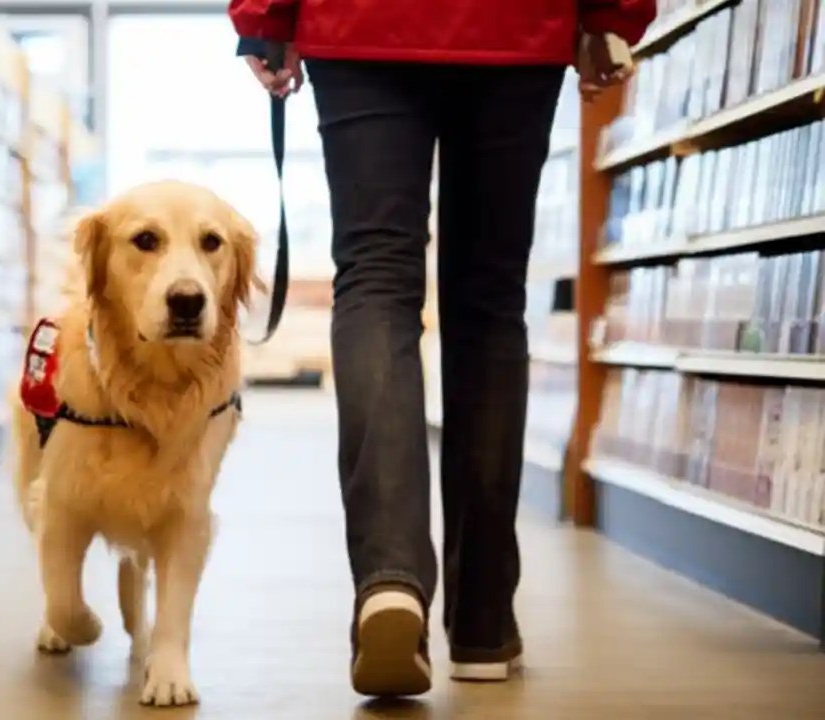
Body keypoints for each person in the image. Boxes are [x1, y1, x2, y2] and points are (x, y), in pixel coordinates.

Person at [229, 0, 655, 698]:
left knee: (374, 282)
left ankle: (388, 579)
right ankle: (484, 620)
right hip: (517, 21)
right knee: (489, 303)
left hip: (362, 21)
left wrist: (265, 14)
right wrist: (613, 12)